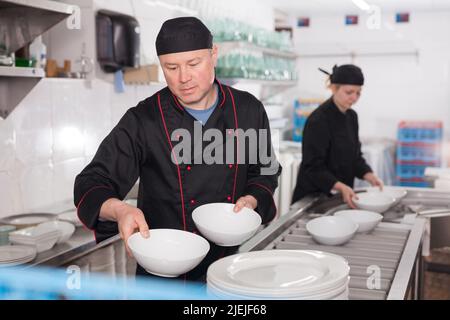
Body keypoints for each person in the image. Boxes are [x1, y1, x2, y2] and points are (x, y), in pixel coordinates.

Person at [73, 17, 281, 281]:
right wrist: (121, 210)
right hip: (163, 274)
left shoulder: (248, 109)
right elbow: (91, 183)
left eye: (194, 64)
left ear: (213, 54)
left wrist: (252, 199)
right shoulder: (144, 120)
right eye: (171, 67)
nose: (184, 78)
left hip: (231, 266)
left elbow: (264, 172)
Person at [291, 64, 382, 208]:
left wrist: (369, 175)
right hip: (313, 198)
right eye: (349, 92)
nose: (354, 97)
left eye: (358, 93)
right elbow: (313, 167)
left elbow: (355, 157)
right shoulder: (318, 120)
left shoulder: (352, 117)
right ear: (334, 88)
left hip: (339, 196)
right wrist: (340, 186)